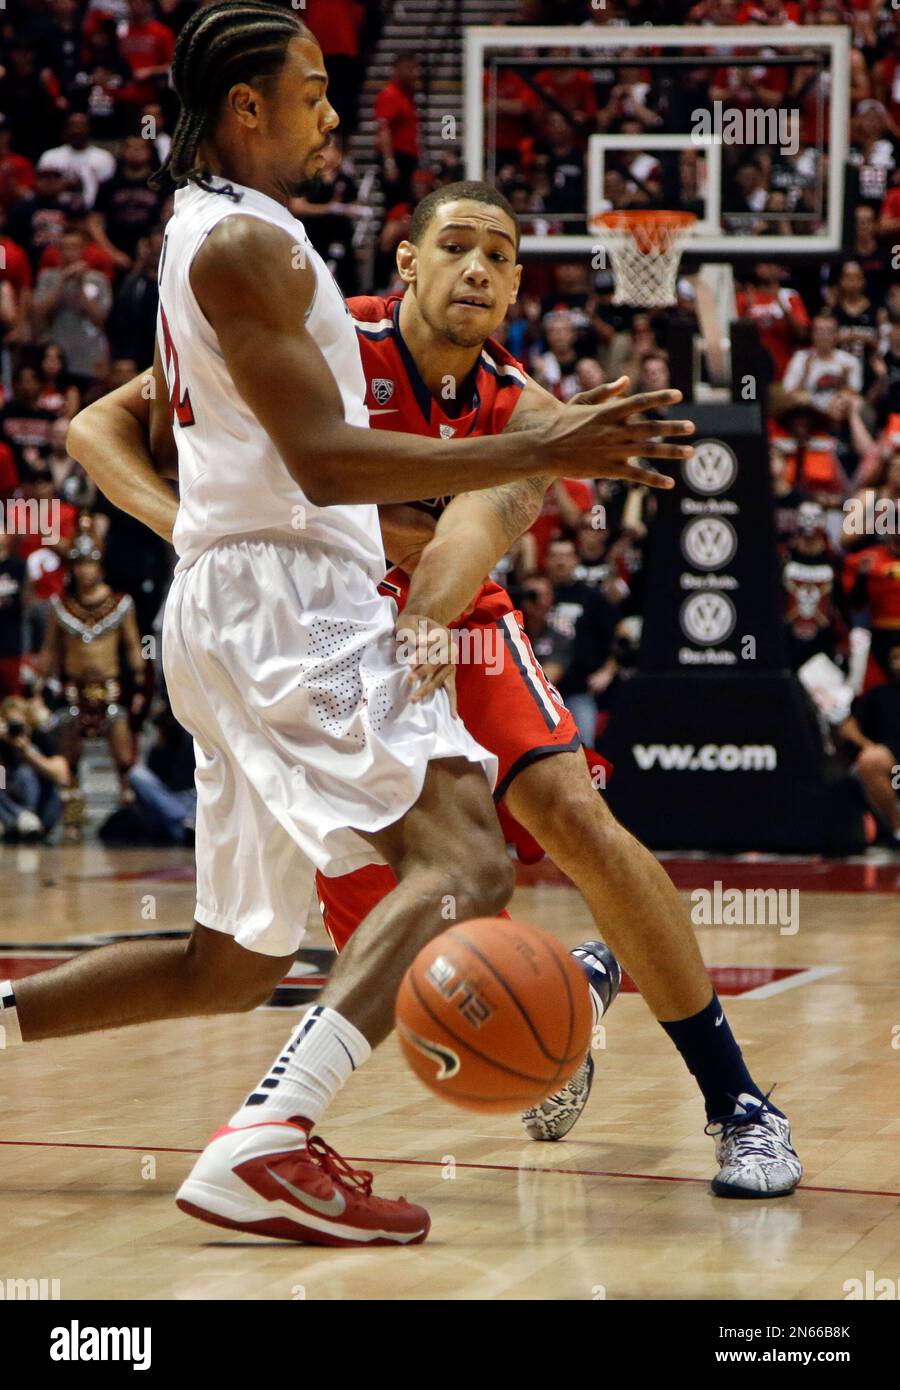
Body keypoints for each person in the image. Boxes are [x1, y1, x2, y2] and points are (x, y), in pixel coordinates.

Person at [15, 3, 697, 1249]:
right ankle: (268, 1142)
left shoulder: (210, 234)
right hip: (288, 598)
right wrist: (544, 441)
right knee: (465, 859)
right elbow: (324, 463)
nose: (336, 114)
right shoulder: (249, 252)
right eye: (315, 91)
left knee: (226, 959)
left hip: (233, 605)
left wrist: (203, 527)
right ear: (246, 109)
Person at [839, 641, 900, 846]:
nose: (898, 664)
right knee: (871, 760)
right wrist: (867, 745)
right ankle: (898, 829)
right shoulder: (879, 694)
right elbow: (848, 728)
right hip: (891, 755)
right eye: (894, 659)